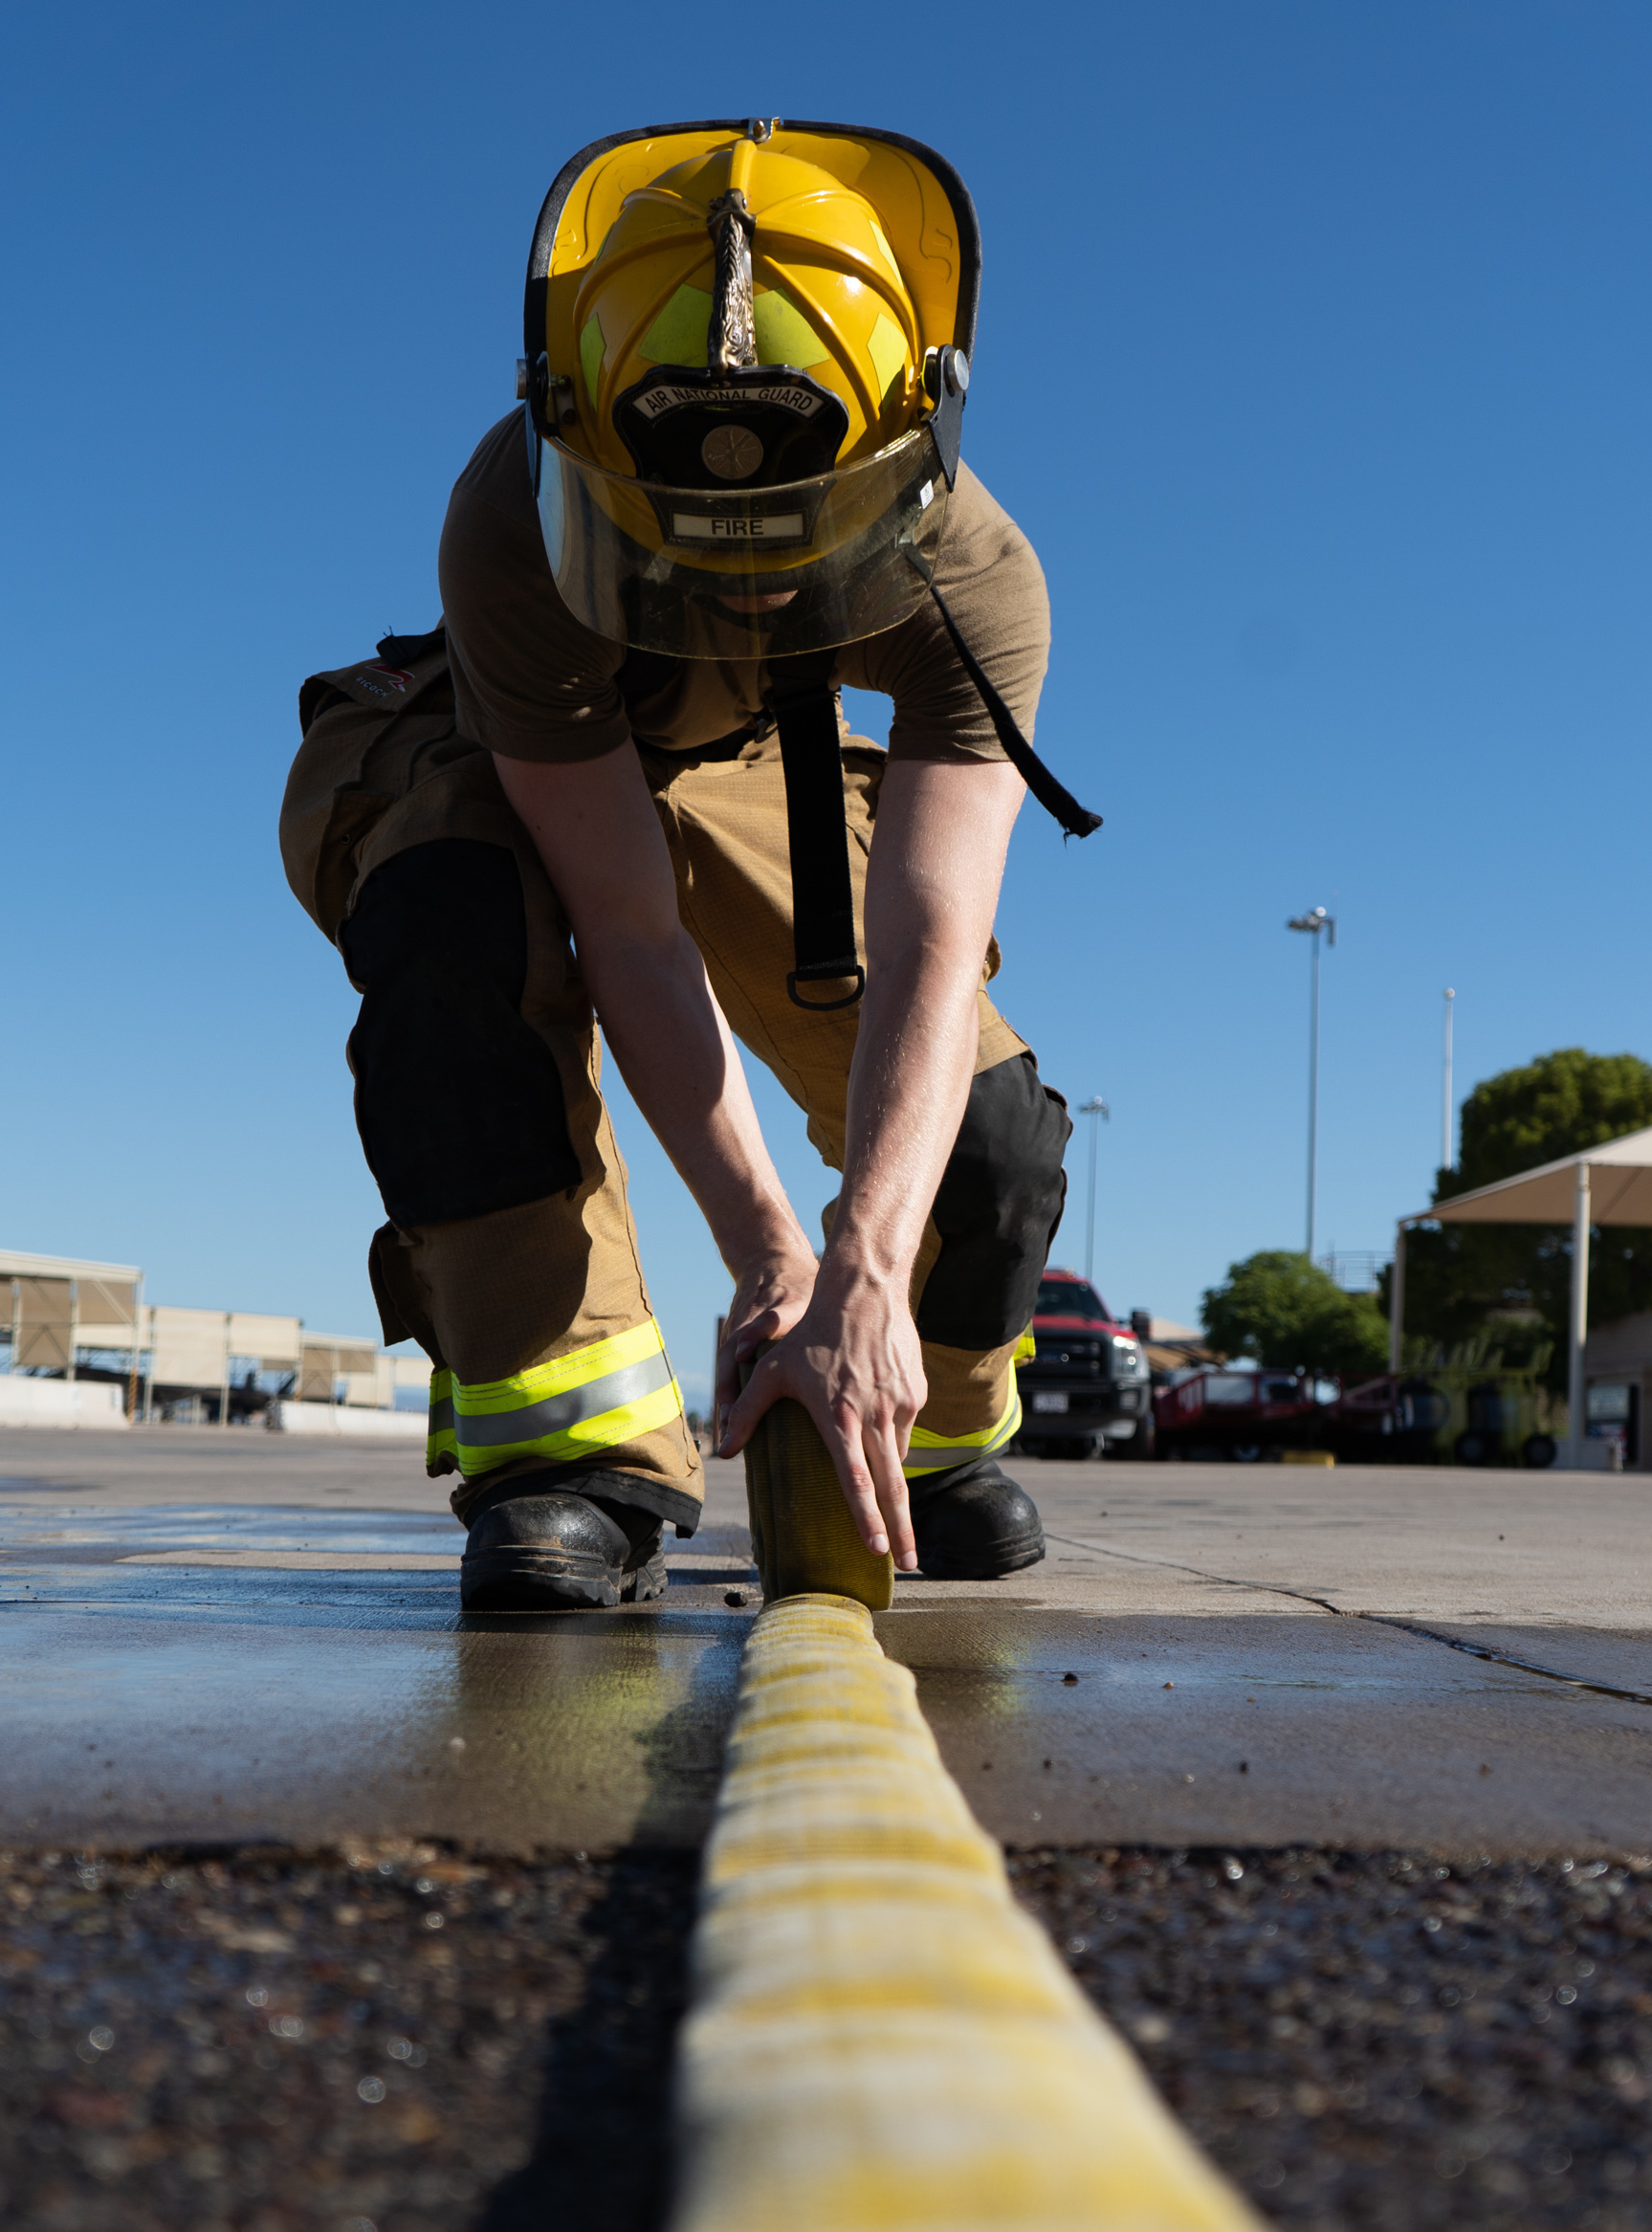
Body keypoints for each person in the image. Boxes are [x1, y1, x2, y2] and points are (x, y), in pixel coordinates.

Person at [281, 119, 1093, 1612]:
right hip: (511, 743)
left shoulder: (976, 581)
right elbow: (630, 934)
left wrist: (866, 1266)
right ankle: (571, 1449)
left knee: (986, 1135)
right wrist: (774, 1251)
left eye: (801, 543)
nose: (752, 588)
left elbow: (924, 946)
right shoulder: (512, 526)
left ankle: (925, 1432)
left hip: (750, 756)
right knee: (454, 938)